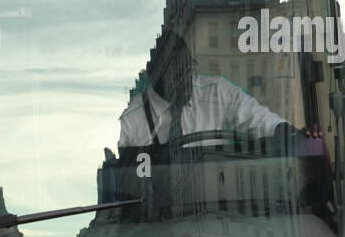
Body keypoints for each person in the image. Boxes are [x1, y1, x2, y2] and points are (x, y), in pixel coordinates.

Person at [118, 30, 321, 149]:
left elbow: (259, 120)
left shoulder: (216, 92)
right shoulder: (129, 123)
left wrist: (294, 137)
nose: (186, 81)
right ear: (154, 76)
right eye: (176, 73)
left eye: (189, 69)